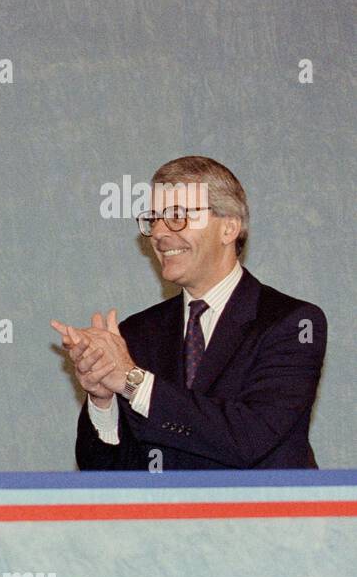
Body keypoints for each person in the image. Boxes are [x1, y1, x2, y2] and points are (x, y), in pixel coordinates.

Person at [52, 156, 327, 470]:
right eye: (154, 218)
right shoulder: (136, 334)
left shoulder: (293, 324)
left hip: (265, 517)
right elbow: (102, 474)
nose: (159, 233)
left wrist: (133, 382)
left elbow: (250, 438)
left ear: (229, 227)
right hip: (162, 519)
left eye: (177, 216)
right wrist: (103, 399)